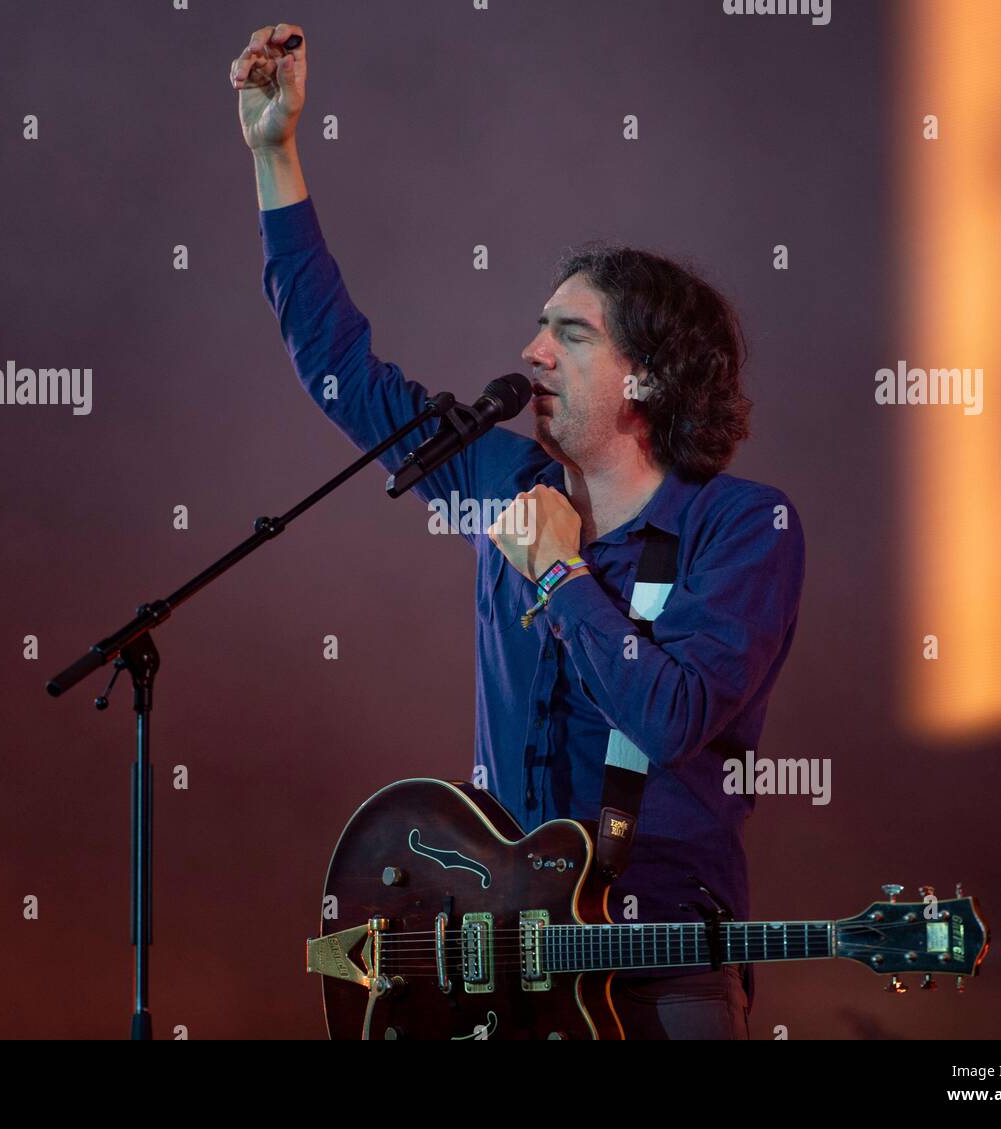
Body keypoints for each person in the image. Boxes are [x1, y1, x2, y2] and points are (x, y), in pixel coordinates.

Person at [232, 22, 806, 1040]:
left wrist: (559, 578)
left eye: (570, 333)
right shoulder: (503, 476)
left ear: (650, 377)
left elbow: (672, 718)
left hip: (660, 960)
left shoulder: (740, 524)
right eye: (539, 325)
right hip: (501, 961)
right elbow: (342, 374)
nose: (531, 350)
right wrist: (275, 157)